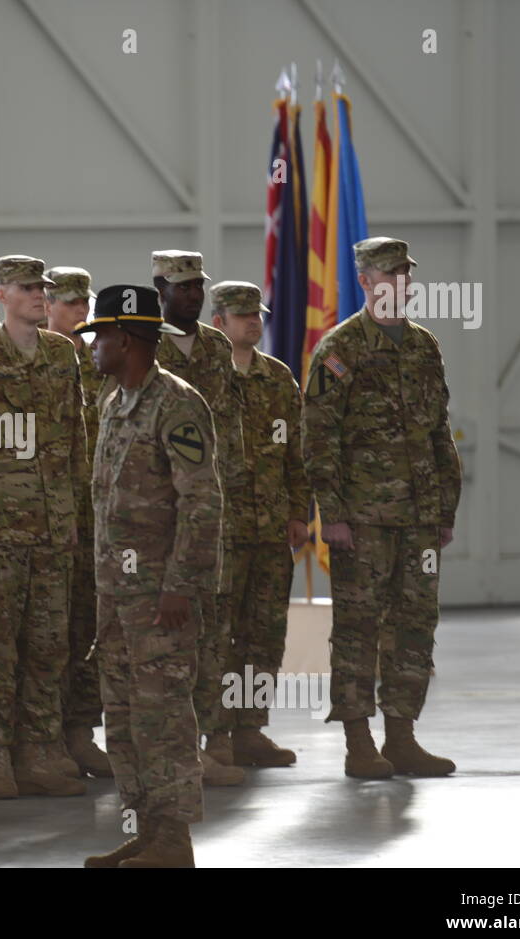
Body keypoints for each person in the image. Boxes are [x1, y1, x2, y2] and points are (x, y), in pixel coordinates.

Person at [75, 284, 222, 869]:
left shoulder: (176, 405)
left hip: (160, 597)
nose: (93, 346)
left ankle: (173, 839)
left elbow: (201, 502)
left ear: (128, 340)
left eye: (101, 335)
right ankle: (146, 827)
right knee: (124, 718)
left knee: (163, 717)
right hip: (117, 596)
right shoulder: (115, 402)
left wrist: (180, 585)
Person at [303, 237, 461, 778]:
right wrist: (333, 513)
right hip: (363, 519)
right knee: (358, 627)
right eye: (390, 274)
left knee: (415, 623)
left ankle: (402, 737)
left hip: (419, 517)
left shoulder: (423, 346)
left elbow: (439, 431)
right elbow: (318, 435)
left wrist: (445, 509)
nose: (401, 282)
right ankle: (358, 742)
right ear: (365, 282)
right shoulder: (340, 348)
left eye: (405, 273)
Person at [0, 255, 88, 799]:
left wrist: (73, 513)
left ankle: (40, 749)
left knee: (50, 645)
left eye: (42, 288)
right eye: (27, 287)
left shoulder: (62, 353)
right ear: (2, 294)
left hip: (52, 526)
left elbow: (75, 436)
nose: (38, 295)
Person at [149, 250, 248, 787]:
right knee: (172, 631)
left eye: (197, 287)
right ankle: (175, 745)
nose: (192, 295)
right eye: (182, 287)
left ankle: (217, 735)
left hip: (215, 507)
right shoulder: (147, 345)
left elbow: (231, 424)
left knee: (217, 628)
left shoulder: (216, 347)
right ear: (160, 288)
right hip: (164, 514)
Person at [209, 281, 306, 766]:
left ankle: (250, 727)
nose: (253, 321)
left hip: (270, 530)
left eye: (257, 314)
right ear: (218, 322)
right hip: (221, 533)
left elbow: (296, 453)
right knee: (219, 636)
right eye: (242, 314)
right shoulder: (205, 379)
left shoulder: (278, 378)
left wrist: (299, 511)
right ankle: (217, 734)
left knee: (264, 635)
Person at [43, 266, 111, 778]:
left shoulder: (99, 363)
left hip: (97, 518)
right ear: (47, 305)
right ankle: (41, 737)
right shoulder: (34, 362)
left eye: (84, 302)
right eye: (69, 302)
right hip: (44, 519)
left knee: (89, 627)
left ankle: (81, 732)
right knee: (47, 633)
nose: (80, 311)